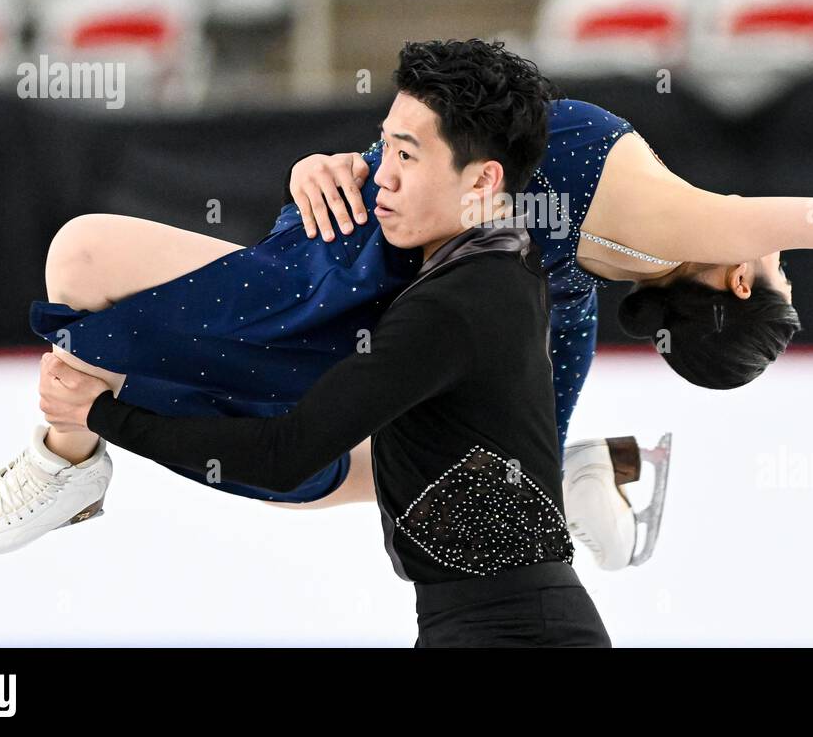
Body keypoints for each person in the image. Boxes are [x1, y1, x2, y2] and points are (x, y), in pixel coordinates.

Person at [0, 37, 813, 567]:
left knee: (88, 264)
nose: (779, 251)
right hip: (378, 262)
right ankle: (79, 445)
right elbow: (417, 158)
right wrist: (328, 172)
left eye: (776, 268)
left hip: (400, 282)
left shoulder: (691, 225)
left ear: (732, 280)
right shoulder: (579, 287)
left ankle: (75, 447)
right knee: (386, 473)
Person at [36, 82, 612, 647]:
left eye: (406, 154)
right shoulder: (502, 268)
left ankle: (587, 468)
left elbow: (284, 456)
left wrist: (103, 416)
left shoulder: (455, 306)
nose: (380, 173)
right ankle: (588, 468)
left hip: (517, 631)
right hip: (482, 623)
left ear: (483, 179)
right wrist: (316, 175)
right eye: (382, 148)